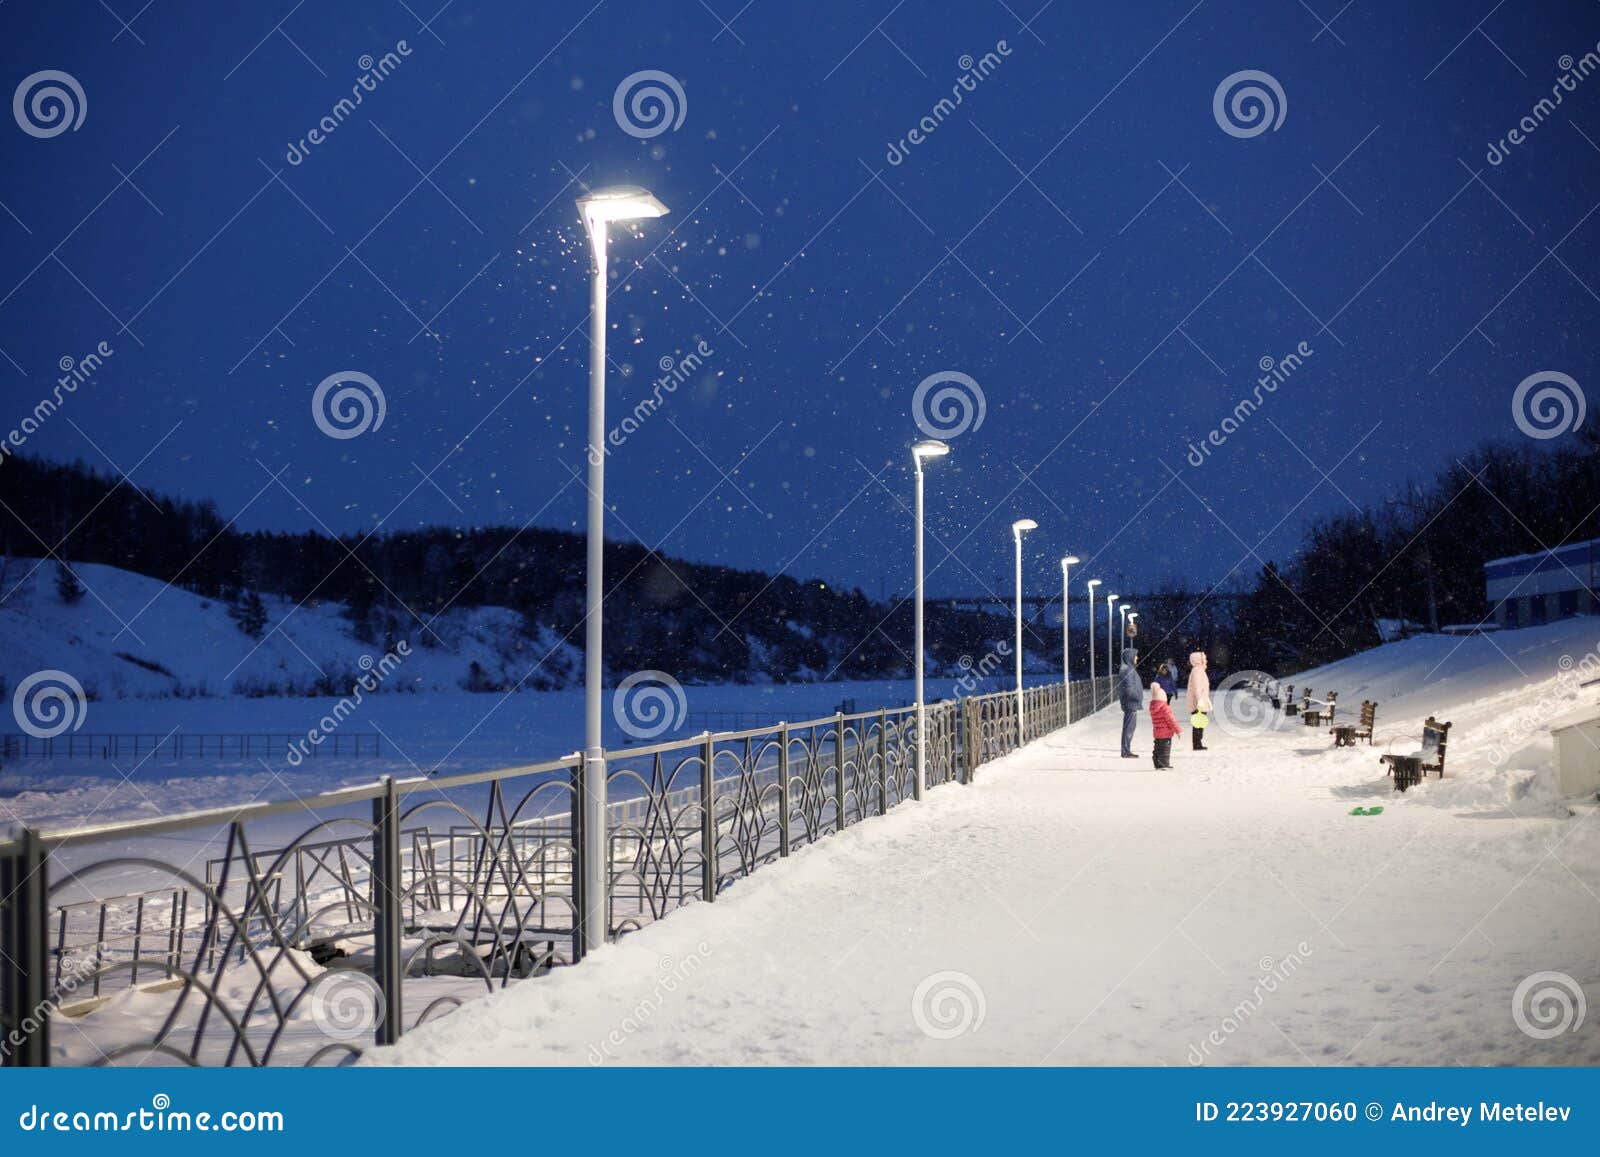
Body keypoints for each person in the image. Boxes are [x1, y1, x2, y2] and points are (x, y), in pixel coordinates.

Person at [1118, 647, 1143, 759]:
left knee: (1129, 727)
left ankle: (1126, 750)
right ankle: (1126, 751)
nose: (1137, 658)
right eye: (1135, 655)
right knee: (1129, 727)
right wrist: (1136, 697)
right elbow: (1129, 688)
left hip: (1131, 702)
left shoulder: (1128, 668)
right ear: (1130, 657)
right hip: (1131, 702)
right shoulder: (1128, 669)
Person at [1149, 683, 1181, 769]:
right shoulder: (1165, 708)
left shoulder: (1152, 707)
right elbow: (1171, 720)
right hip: (1166, 733)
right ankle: (1164, 764)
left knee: (1158, 747)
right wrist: (1177, 730)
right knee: (1165, 749)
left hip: (1157, 732)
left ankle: (1157, 762)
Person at [1186, 650, 1212, 750]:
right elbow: (1197, 688)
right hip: (1199, 703)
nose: (1206, 661)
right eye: (1204, 659)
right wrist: (1199, 702)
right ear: (1199, 660)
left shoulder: (1198, 670)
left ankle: (1198, 743)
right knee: (1198, 724)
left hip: (1200, 702)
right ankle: (1197, 744)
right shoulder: (1198, 671)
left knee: (1199, 723)